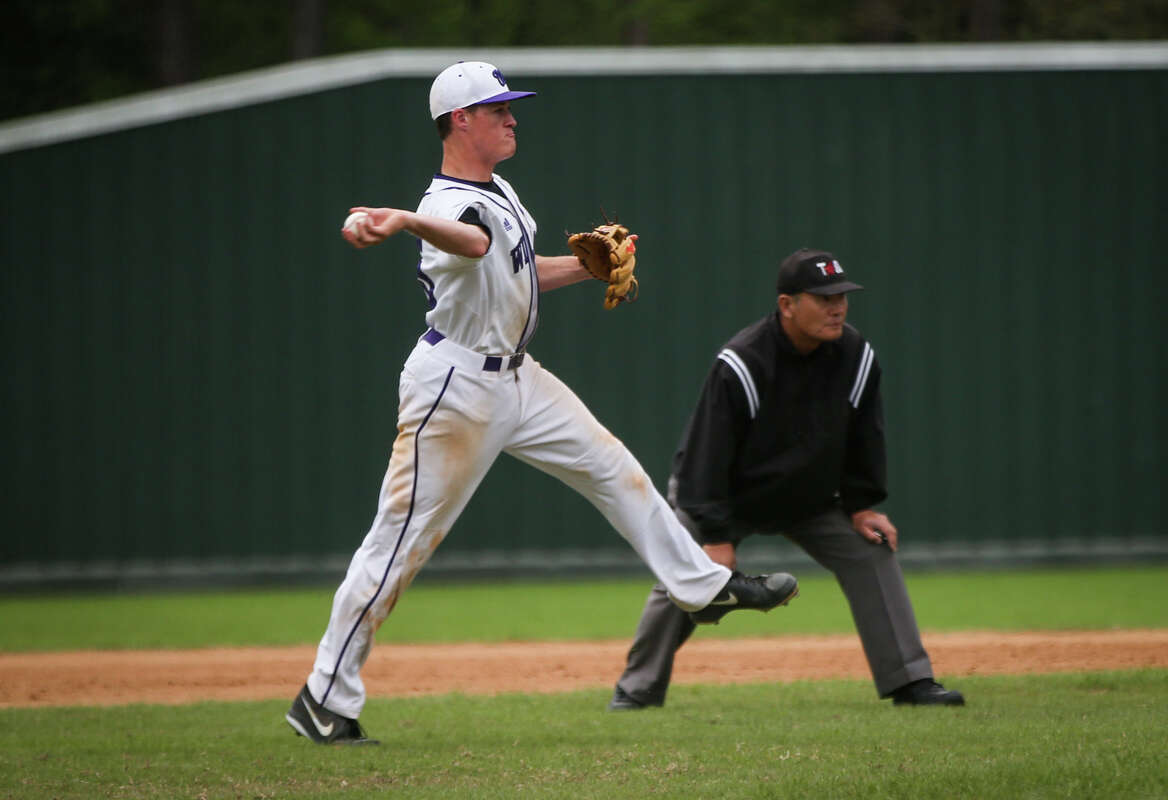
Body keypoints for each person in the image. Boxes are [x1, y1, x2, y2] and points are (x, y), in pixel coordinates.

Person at [284, 61, 799, 745]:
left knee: (613, 468)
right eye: (497, 109)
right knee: (398, 544)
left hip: (517, 379)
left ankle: (704, 588)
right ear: (460, 120)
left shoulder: (497, 189)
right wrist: (406, 219)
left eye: (509, 107)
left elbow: (511, 271)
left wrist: (585, 268)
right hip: (455, 387)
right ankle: (323, 696)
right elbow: (470, 243)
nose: (512, 117)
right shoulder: (442, 206)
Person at [608, 248, 965, 711]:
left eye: (841, 296)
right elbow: (704, 455)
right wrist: (714, 535)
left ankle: (911, 682)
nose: (837, 306)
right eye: (822, 297)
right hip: (721, 496)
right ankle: (636, 692)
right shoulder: (743, 361)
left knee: (870, 552)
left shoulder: (856, 357)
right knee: (688, 572)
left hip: (807, 498)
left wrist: (862, 505)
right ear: (787, 305)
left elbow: (865, 439)